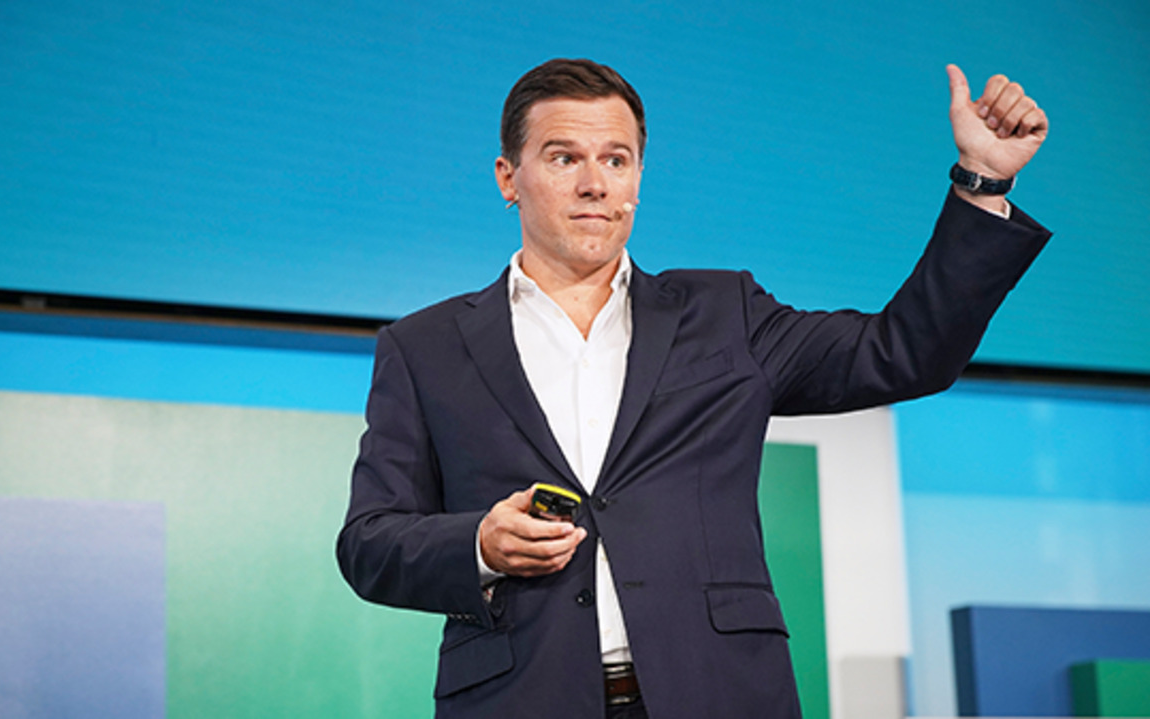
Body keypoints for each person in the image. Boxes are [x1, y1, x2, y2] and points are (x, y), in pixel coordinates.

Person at [337, 58, 1050, 718]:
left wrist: (981, 182)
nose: (595, 183)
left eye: (616, 159)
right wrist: (480, 544)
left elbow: (905, 352)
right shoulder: (424, 347)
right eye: (564, 158)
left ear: (637, 178)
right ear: (508, 177)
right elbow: (369, 542)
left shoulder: (724, 314)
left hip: (718, 691)